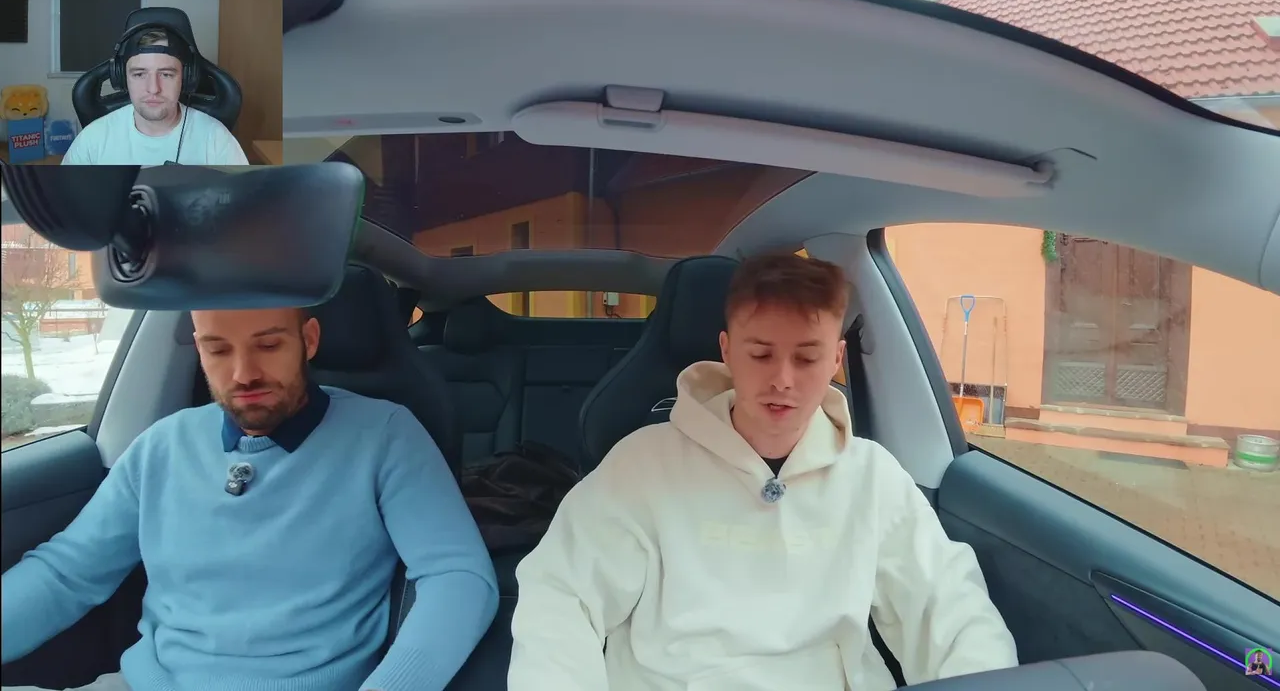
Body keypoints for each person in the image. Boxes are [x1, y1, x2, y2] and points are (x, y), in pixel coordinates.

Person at [508, 253, 1018, 690]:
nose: (782, 380)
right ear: (727, 350)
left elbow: (947, 609)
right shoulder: (642, 465)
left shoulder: (872, 477)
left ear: (837, 359)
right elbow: (561, 597)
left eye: (807, 358)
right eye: (761, 354)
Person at [0, 307, 498, 691]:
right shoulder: (162, 445)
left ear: (308, 340)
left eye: (269, 344)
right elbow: (67, 573)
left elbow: (457, 576)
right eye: (218, 350)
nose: (243, 373)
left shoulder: (385, 435)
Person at [61, 28, 248, 166]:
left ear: (185, 78)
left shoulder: (216, 139)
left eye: (166, 74)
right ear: (123, 79)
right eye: (139, 74)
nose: (153, 88)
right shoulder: (91, 140)